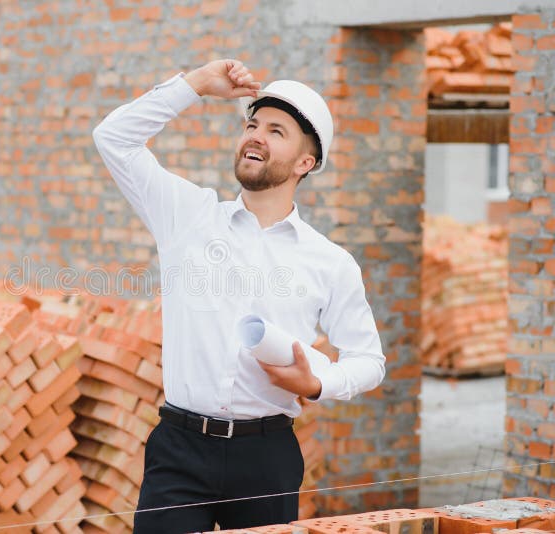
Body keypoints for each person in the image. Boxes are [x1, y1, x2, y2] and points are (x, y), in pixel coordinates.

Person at [92, 59, 386, 533]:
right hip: (180, 450)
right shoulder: (187, 217)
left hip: (266, 457)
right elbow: (113, 138)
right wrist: (195, 85)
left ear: (306, 162)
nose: (256, 135)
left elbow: (369, 360)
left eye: (276, 131)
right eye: (252, 124)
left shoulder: (329, 262)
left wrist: (316, 384)